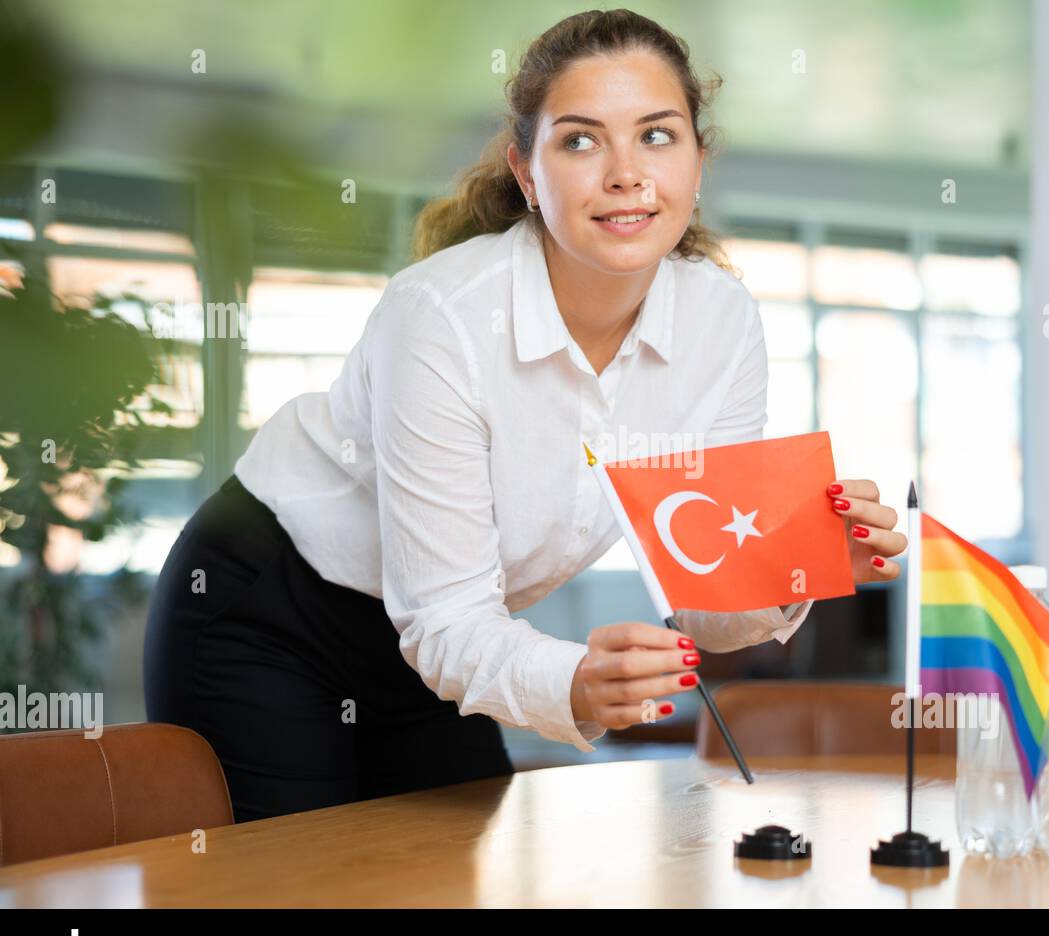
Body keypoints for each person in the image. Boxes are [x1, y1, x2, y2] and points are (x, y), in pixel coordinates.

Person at [143, 9, 906, 823]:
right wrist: (575, 679)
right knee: (296, 884)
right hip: (271, 604)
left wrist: (803, 562)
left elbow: (703, 591)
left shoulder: (723, 323)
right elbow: (444, 617)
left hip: (448, 631)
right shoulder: (441, 316)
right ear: (527, 171)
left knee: (453, 877)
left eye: (657, 135)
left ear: (698, 158)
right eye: (580, 140)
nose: (626, 173)